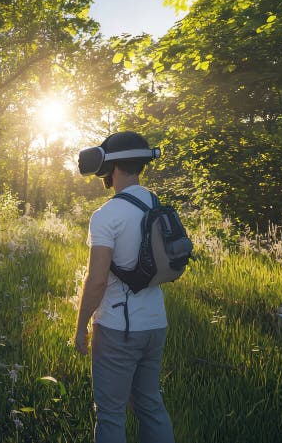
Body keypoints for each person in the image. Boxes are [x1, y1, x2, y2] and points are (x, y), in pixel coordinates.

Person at [73, 131, 175, 443]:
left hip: (118, 328)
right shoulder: (157, 204)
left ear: (112, 168)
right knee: (150, 405)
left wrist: (80, 327)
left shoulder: (107, 215)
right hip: (155, 323)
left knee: (110, 413)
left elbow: (98, 279)